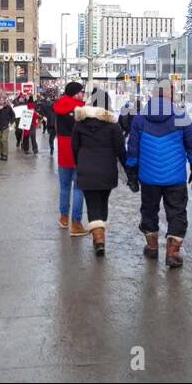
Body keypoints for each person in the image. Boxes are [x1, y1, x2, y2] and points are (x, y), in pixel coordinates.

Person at [125, 88, 192, 269]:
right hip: (175, 178)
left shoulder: (140, 118)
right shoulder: (182, 116)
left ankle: (152, 247)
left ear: (152, 96)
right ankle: (173, 253)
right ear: (170, 96)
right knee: (177, 213)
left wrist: (132, 173)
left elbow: (133, 149)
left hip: (149, 178)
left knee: (149, 211)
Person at [72, 88, 126, 257]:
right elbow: (120, 151)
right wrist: (129, 169)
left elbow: (74, 148)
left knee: (92, 202)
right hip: (107, 171)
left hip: (86, 170)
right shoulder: (113, 125)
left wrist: (80, 163)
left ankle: (98, 238)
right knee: (103, 201)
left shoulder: (79, 124)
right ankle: (100, 237)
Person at [54, 82, 87, 236]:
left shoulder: (59, 107)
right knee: (79, 188)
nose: (83, 94)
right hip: (78, 153)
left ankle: (63, 218)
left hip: (63, 154)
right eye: (81, 92)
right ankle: (76, 223)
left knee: (65, 187)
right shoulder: (81, 109)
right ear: (75, 93)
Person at [0, 95, 16, 162]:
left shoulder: (8, 107)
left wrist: (11, 122)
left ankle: (5, 155)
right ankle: (2, 154)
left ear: (4, 101)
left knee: (4, 140)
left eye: (3, 100)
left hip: (5, 126)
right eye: (0, 100)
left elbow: (13, 115)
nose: (2, 101)